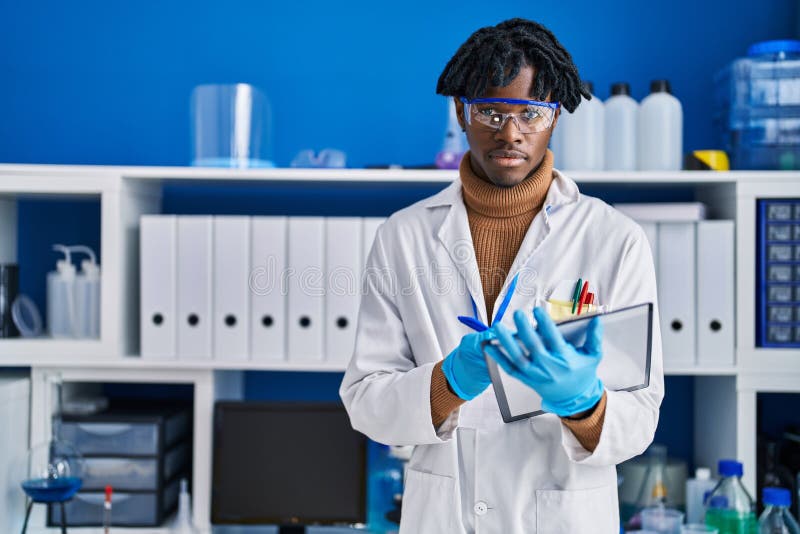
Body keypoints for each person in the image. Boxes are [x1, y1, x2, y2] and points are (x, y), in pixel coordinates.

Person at [340, 17, 663, 533]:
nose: (510, 133)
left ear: (554, 116)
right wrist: (448, 382)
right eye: (490, 111)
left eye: (531, 113)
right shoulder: (402, 236)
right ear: (461, 112)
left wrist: (585, 405)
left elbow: (640, 418)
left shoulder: (613, 239)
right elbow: (365, 403)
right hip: (444, 516)